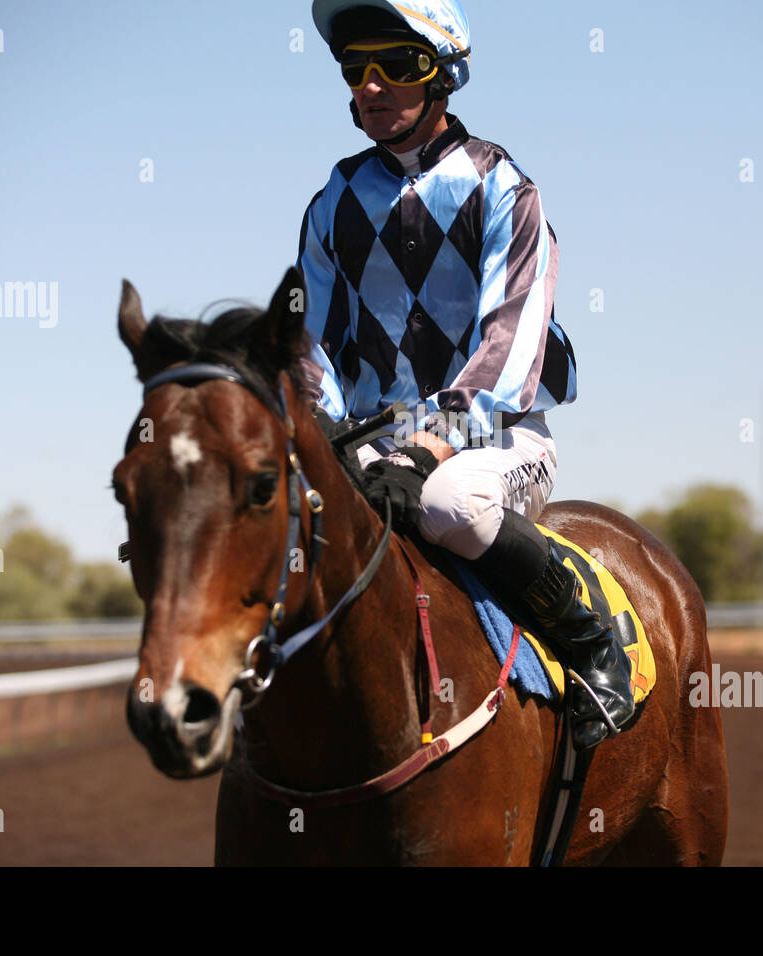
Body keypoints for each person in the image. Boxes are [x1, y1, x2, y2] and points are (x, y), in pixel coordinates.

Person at [297, 0, 633, 749]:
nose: (373, 87)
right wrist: (328, 440)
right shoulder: (333, 202)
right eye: (357, 69)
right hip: (372, 447)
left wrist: (425, 448)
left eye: (397, 65)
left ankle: (590, 642)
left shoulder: (504, 189)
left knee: (447, 504)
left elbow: (509, 348)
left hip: (498, 445)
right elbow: (308, 345)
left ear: (443, 74)